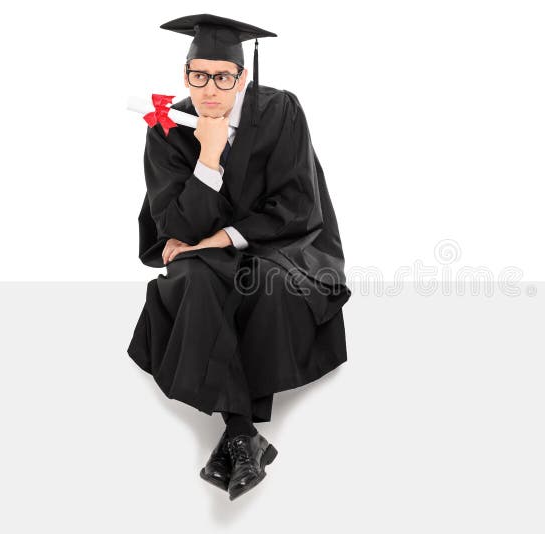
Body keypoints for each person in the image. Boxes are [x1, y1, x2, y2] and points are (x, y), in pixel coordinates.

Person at [126, 13, 351, 501]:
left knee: (266, 288)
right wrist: (207, 159)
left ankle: (234, 435)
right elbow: (174, 229)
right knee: (195, 280)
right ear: (186, 74)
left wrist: (222, 237)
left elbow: (295, 204)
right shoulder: (168, 128)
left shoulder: (281, 111)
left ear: (242, 75)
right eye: (198, 75)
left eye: (223, 76)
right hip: (205, 260)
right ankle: (243, 433)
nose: (210, 89)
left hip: (282, 245)